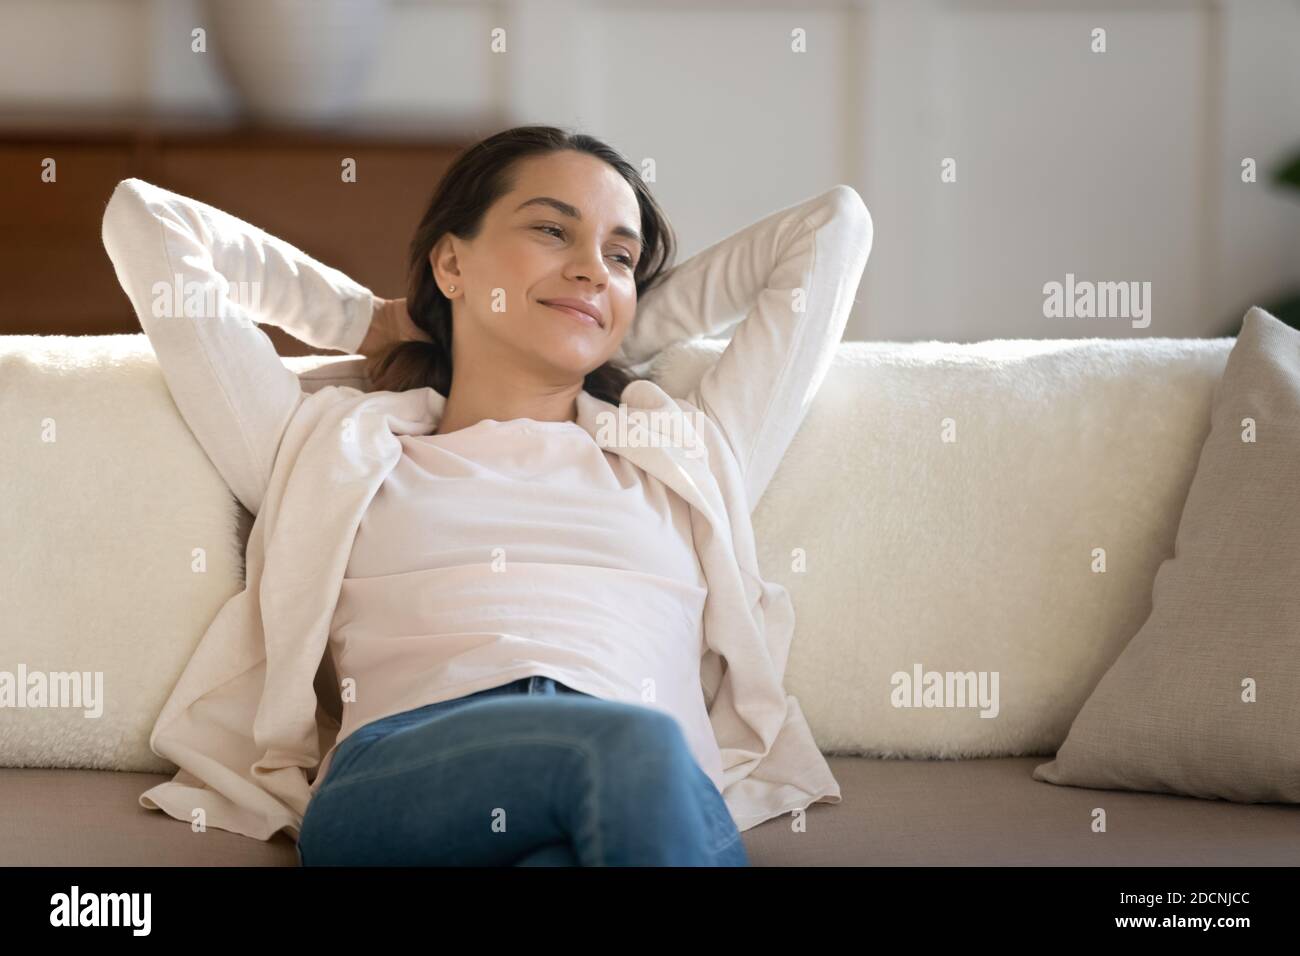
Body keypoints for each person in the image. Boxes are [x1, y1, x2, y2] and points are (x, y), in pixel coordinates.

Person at [102, 124, 871, 865]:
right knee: (629, 746)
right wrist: (375, 320)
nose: (592, 267)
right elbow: (148, 223)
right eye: (551, 231)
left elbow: (833, 228)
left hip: (643, 795)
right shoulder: (340, 449)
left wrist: (605, 323)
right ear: (451, 263)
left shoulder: (682, 451)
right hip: (407, 776)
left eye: (621, 255)